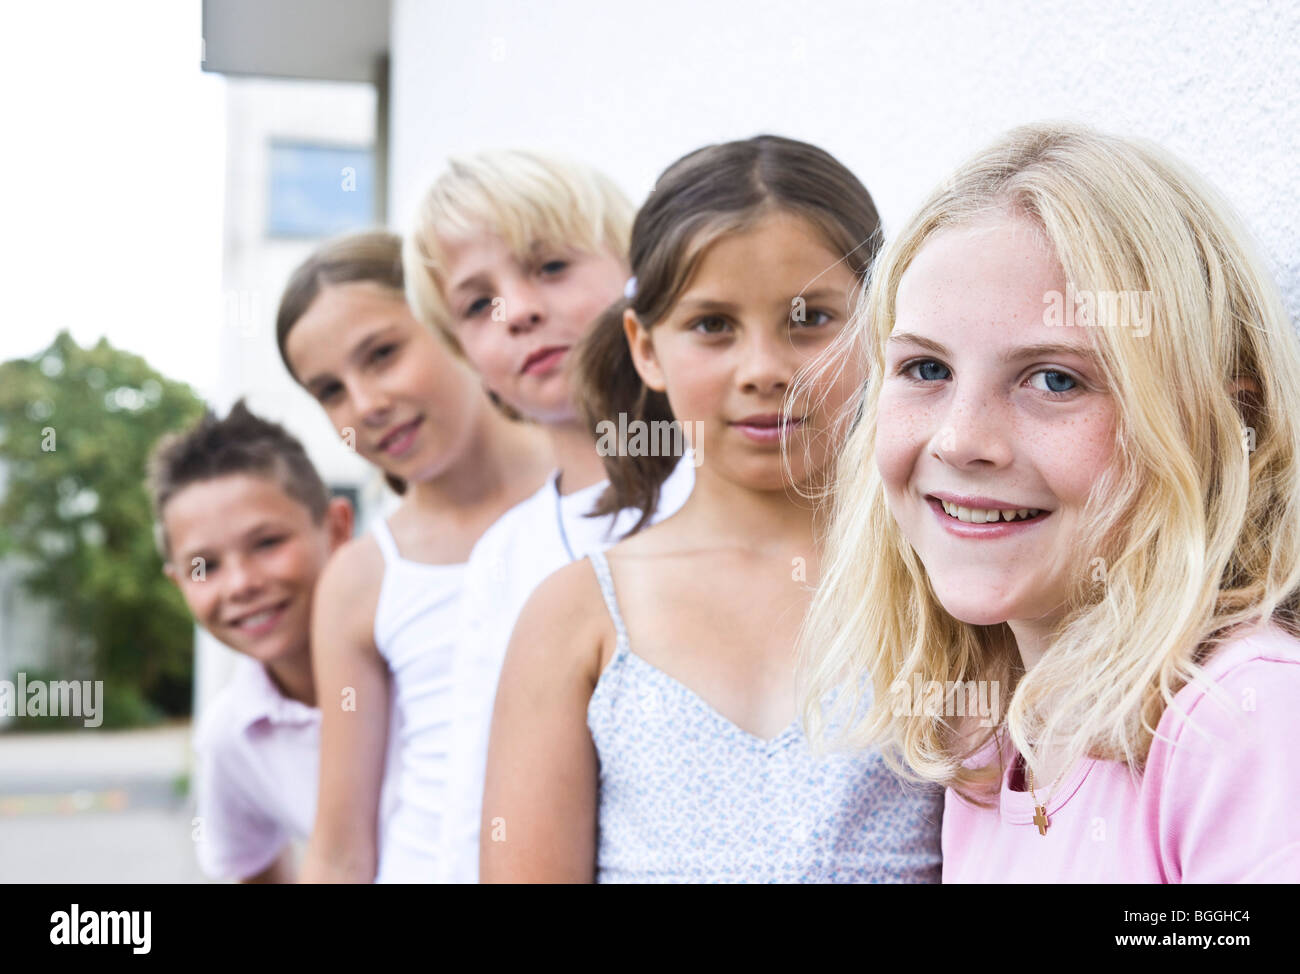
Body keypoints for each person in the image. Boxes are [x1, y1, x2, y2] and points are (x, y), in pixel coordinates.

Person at [798, 122, 1300, 882]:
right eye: (925, 368)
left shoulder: (1244, 716)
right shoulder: (987, 741)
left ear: (1223, 422)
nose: (962, 441)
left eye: (1055, 379)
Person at [481, 135, 945, 883]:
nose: (763, 369)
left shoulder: (945, 582)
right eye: (712, 326)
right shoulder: (576, 617)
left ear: (879, 323)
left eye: (810, 319)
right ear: (645, 347)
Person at [403, 150, 695, 880]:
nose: (518, 311)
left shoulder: (731, 483)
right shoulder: (504, 558)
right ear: (464, 353)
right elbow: (473, 803)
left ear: (639, 273)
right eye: (476, 304)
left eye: (549, 267)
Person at [277, 230, 553, 882]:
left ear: (452, 321)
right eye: (331, 391)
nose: (366, 404)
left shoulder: (605, 495)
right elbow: (340, 849)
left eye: (382, 354)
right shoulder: (362, 578)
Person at [149, 400, 356, 882]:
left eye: (267, 543)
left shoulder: (423, 654)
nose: (240, 583)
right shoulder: (230, 739)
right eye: (206, 566)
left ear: (337, 529)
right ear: (179, 584)